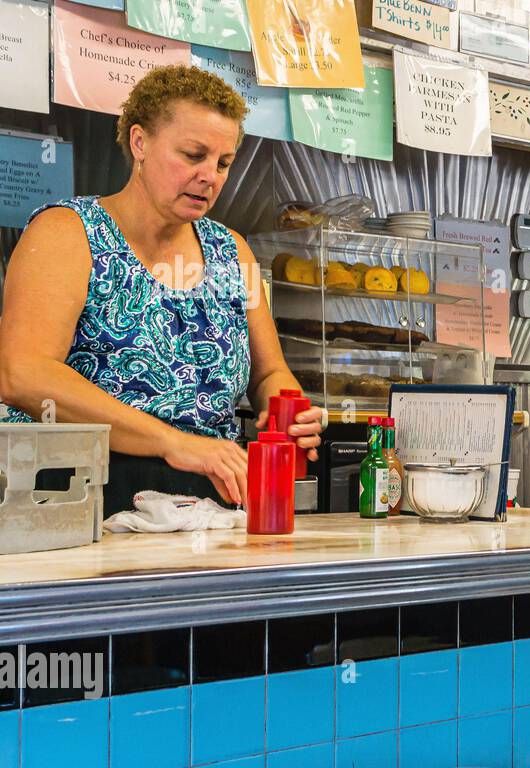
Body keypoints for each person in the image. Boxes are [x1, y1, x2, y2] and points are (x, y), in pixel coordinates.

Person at [0, 65, 322, 514]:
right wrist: (173, 442)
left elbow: (269, 374)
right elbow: (24, 374)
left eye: (223, 163)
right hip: (74, 497)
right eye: (193, 155)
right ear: (140, 143)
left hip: (207, 504)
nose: (210, 175)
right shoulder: (67, 234)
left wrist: (290, 410)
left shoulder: (233, 253)